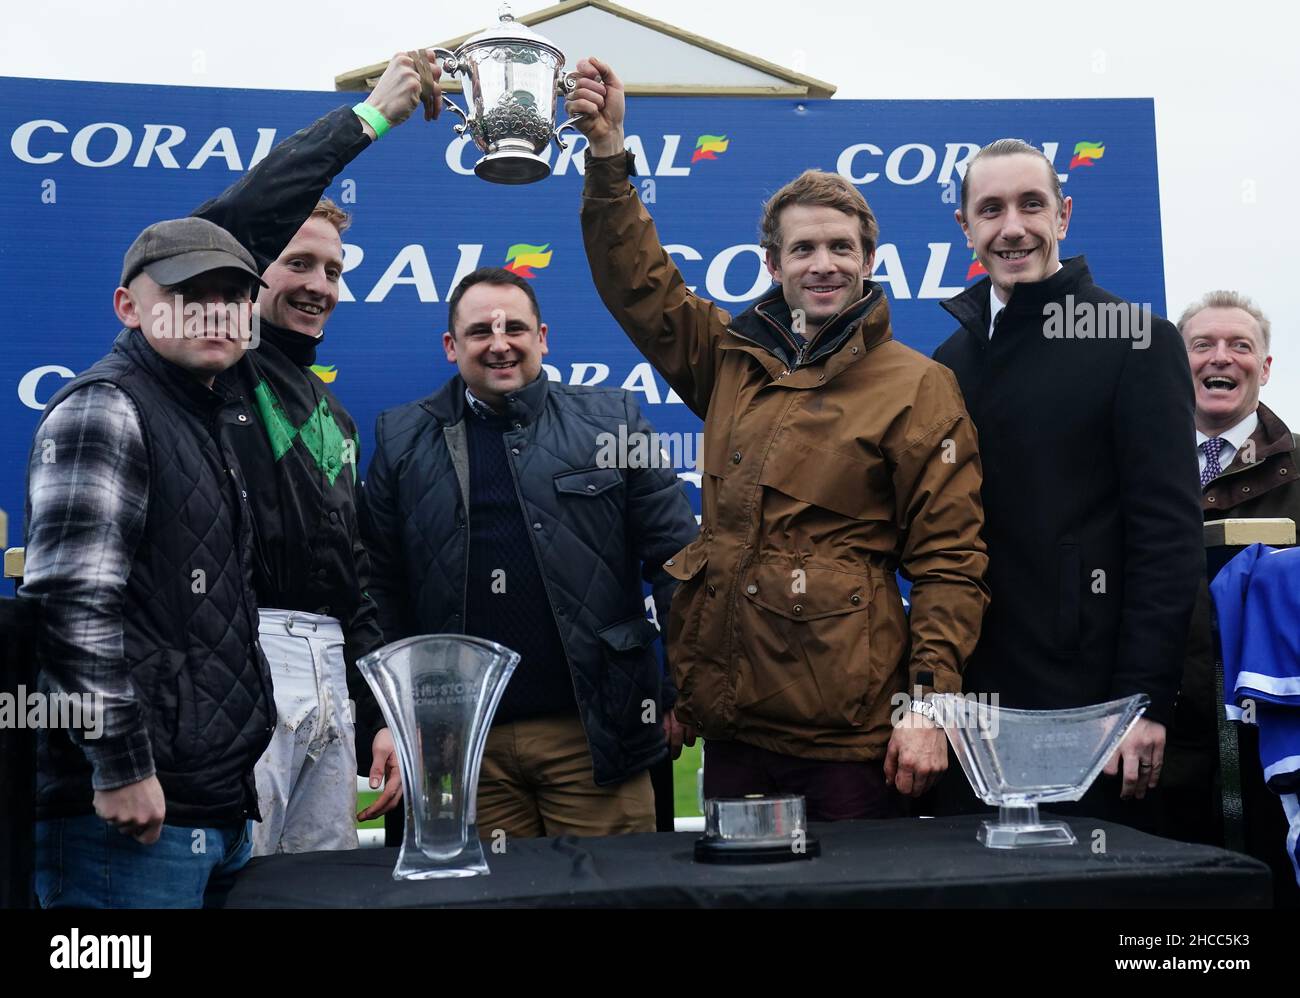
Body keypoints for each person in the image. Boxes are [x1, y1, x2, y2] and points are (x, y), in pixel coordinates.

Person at [567, 58, 990, 821]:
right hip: (733, 728)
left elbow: (951, 563)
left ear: (868, 261)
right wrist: (607, 153)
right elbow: (640, 284)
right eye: (803, 249)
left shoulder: (918, 386)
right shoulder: (731, 357)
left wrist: (931, 707)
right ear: (773, 264)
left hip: (849, 744)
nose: (822, 264)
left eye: (840, 248)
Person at [194, 51, 443, 854]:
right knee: (237, 881)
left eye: (333, 269)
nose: (320, 284)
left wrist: (375, 711)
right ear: (247, 274)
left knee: (319, 888)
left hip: (331, 665)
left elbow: (356, 570)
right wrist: (368, 119)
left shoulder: (333, 411)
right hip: (239, 658)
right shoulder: (217, 359)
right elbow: (224, 230)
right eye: (297, 262)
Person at [361, 267, 698, 839]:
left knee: (615, 898)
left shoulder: (614, 420)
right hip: (462, 748)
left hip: (595, 741)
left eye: (514, 328)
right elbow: (377, 590)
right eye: (479, 332)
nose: (499, 344)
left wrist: (683, 689)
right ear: (451, 346)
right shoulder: (400, 439)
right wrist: (385, 718)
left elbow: (677, 563)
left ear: (543, 337)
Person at [930, 138, 1203, 823]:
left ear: (1065, 215)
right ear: (965, 227)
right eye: (990, 209)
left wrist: (1143, 702)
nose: (1012, 226)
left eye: (1031, 204)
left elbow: (1167, 540)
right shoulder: (947, 363)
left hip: (1096, 716)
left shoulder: (1136, 340)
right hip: (974, 714)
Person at [23, 217, 272, 907]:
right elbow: (70, 609)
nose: (217, 309)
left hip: (210, 809)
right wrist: (120, 768)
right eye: (189, 292)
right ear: (128, 307)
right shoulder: (105, 408)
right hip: (125, 821)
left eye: (234, 294)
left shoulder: (203, 415)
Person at [1167, 291, 1299, 903]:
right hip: (1162, 737)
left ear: (1265, 367)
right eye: (1203, 344)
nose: (1221, 357)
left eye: (1240, 345)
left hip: (1274, 745)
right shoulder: (1133, 466)